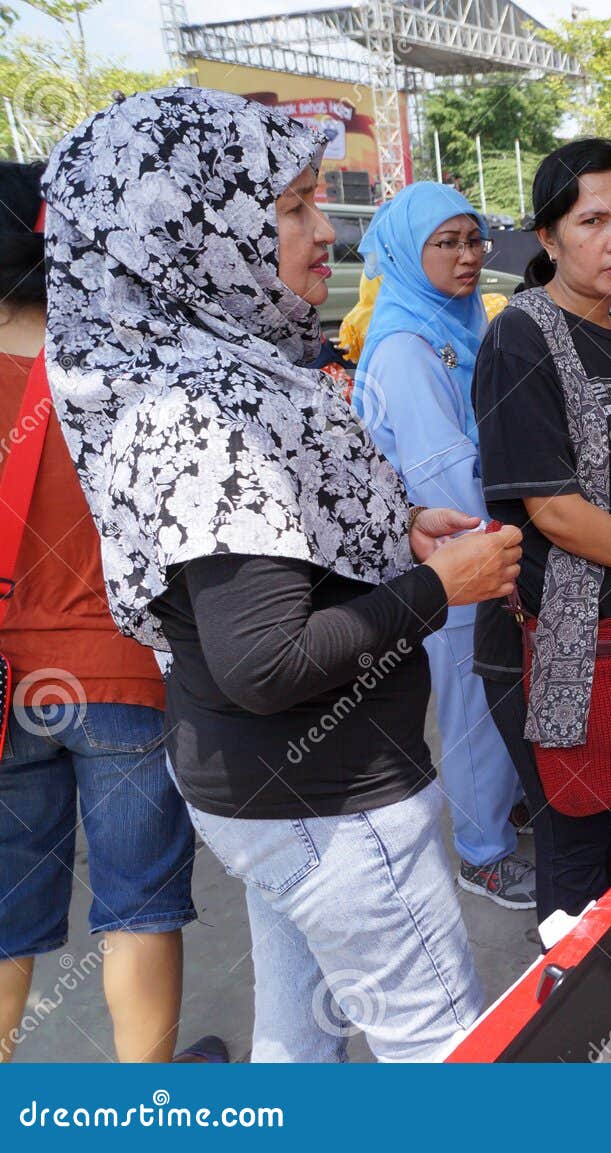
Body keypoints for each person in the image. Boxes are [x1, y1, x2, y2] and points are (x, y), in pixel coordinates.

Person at [43, 88, 523, 1061]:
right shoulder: (208, 409)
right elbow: (264, 658)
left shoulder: (204, 368)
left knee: (299, 1043)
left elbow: (274, 552)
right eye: (294, 206)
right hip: (325, 803)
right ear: (196, 230)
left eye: (318, 201)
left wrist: (394, 524)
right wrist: (442, 586)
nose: (325, 233)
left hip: (279, 799)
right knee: (441, 1050)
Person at [0, 162, 213, 1065]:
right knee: (139, 906)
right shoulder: (124, 378)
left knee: (7, 912)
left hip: (5, 688)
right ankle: (141, 1106)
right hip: (122, 677)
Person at [473, 139, 611, 917]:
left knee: (608, 829)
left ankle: (594, 995)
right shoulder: (521, 338)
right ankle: (565, 1013)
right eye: (593, 219)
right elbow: (555, 509)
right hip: (545, 643)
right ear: (547, 238)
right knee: (572, 850)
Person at [351, 181, 534, 909]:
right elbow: (442, 471)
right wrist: (498, 553)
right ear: (406, 251)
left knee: (495, 689)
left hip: (478, 541)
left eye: (473, 239)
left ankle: (504, 811)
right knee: (472, 699)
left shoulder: (457, 322)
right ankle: (482, 853)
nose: (468, 256)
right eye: (447, 242)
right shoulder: (404, 344)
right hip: (455, 552)